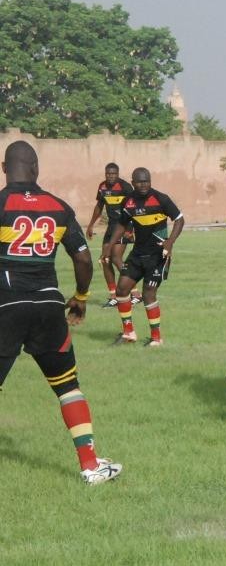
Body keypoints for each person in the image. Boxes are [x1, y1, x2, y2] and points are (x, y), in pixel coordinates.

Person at [0, 140, 122, 484]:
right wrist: (81, 297)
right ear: (36, 169)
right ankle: (90, 465)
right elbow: (83, 259)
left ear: (4, 168)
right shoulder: (58, 206)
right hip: (50, 306)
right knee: (68, 385)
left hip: (7, 303)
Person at [109, 168, 184, 347]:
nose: (144, 185)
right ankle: (129, 333)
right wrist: (110, 246)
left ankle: (156, 338)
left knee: (148, 294)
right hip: (137, 254)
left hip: (157, 255)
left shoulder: (161, 199)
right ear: (133, 182)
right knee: (121, 289)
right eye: (140, 182)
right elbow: (121, 223)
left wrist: (170, 242)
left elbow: (179, 219)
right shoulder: (129, 202)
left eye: (147, 181)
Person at [84, 162, 140, 308]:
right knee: (105, 260)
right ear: (105, 174)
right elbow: (99, 207)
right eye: (108, 174)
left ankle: (135, 294)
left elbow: (134, 207)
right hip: (111, 227)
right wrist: (90, 224)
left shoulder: (125, 187)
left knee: (115, 257)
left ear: (118, 174)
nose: (111, 176)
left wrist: (131, 228)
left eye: (114, 174)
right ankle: (113, 295)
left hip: (124, 226)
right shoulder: (102, 187)